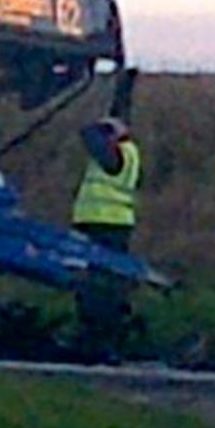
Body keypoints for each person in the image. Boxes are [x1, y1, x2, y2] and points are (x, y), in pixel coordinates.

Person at [71, 117, 143, 363]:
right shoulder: (130, 153)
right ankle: (102, 339)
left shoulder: (115, 154)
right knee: (107, 285)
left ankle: (98, 341)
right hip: (115, 224)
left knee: (98, 288)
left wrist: (105, 125)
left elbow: (87, 134)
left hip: (102, 224)